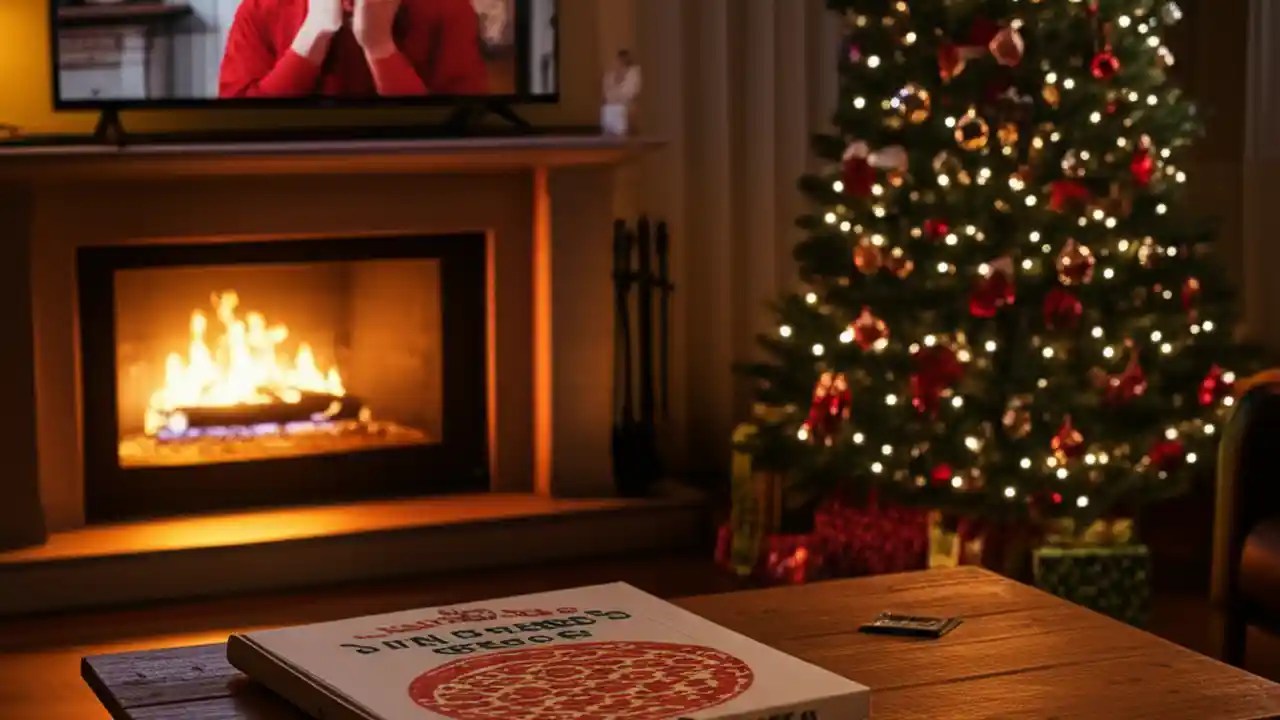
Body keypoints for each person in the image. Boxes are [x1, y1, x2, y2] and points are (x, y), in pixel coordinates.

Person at [219, 0, 489, 99]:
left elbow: (464, 130)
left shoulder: (449, 9)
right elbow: (236, 130)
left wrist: (380, 47)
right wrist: (313, 35)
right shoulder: (260, 10)